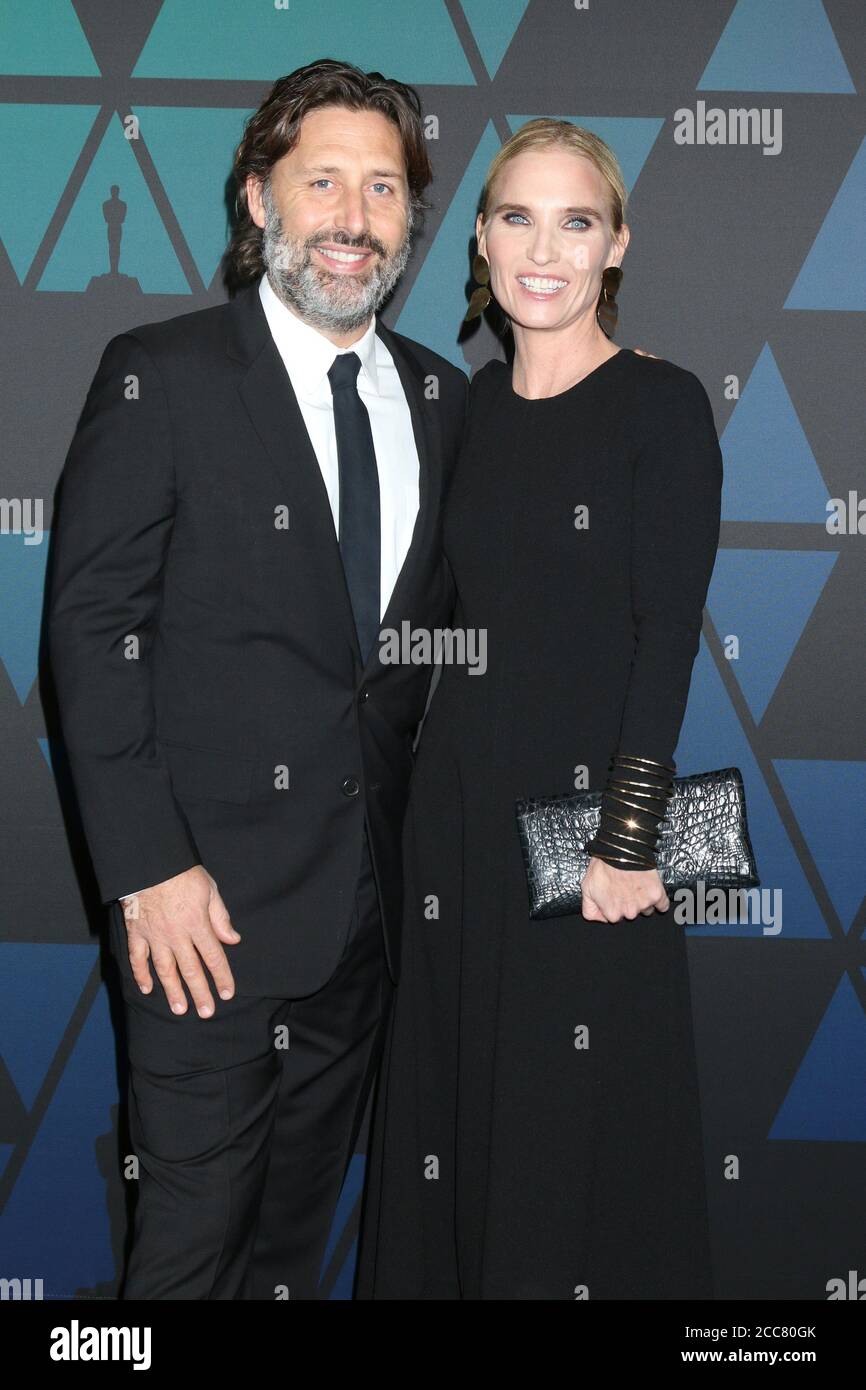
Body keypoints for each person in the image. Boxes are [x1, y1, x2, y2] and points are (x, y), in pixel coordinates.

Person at [47, 58, 468, 1300]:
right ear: (256, 201)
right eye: (322, 179)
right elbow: (89, 628)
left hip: (364, 929)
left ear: (409, 217)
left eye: (382, 188)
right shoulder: (160, 376)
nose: (352, 217)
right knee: (184, 1258)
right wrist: (144, 871)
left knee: (289, 1256)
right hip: (203, 928)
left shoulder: (444, 400)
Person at [356, 118, 723, 1300]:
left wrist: (624, 841)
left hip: (582, 845)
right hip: (455, 824)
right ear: (477, 234)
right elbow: (441, 623)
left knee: (571, 1126)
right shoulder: (459, 412)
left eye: (575, 221)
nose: (543, 248)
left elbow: (663, 634)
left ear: (615, 244)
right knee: (456, 1110)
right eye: (516, 215)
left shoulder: (660, 406)